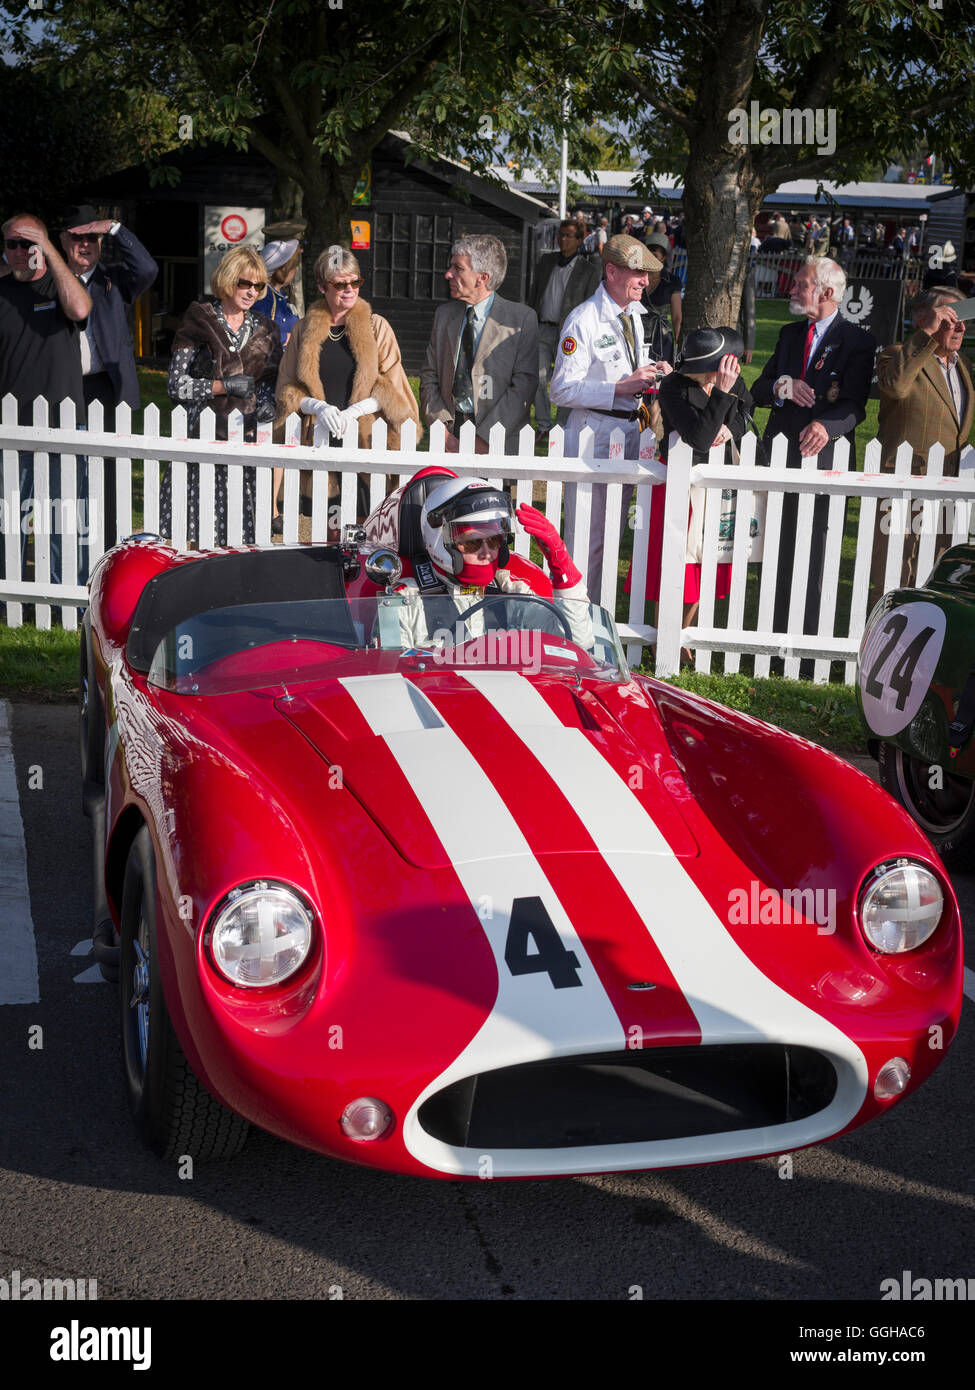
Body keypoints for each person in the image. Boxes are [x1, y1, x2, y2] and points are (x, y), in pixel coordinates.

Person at [751, 256, 876, 651]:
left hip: (823, 464)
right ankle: (772, 639)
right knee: (778, 550)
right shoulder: (790, 335)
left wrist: (826, 426)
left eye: (800, 284)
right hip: (781, 458)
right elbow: (758, 390)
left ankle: (806, 649)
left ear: (825, 292)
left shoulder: (857, 341)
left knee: (815, 554)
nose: (791, 289)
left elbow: (855, 406)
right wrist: (783, 386)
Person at [549, 233, 672, 596]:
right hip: (593, 433)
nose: (645, 281)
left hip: (628, 432)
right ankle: (575, 618)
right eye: (638, 272)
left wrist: (652, 370)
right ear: (612, 271)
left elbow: (625, 364)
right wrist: (620, 387)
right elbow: (561, 388)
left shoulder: (634, 315)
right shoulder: (583, 319)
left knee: (612, 533)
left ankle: (599, 615)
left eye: (647, 274)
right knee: (586, 537)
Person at [631, 328, 760, 654]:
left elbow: (749, 408)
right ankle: (663, 637)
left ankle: (683, 634)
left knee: (709, 561)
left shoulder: (734, 380)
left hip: (718, 484)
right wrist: (723, 396)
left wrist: (731, 428)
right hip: (681, 485)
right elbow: (699, 438)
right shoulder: (675, 387)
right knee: (675, 563)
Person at [275, 243, 419, 534]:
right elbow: (286, 387)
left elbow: (395, 388)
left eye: (355, 282)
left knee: (367, 527)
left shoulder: (377, 327)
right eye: (340, 283)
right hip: (321, 438)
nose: (349, 289)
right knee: (328, 530)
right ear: (321, 286)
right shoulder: (303, 329)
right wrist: (317, 407)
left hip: (366, 438)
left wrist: (357, 410)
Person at [389, 475, 592, 651]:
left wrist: (564, 570)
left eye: (494, 540)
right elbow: (389, 677)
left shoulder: (511, 593)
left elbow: (576, 645)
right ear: (439, 541)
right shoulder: (405, 602)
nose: (486, 553)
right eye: (472, 542)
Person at [164, 244, 282, 544]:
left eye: (258, 285)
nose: (252, 291)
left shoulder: (267, 329)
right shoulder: (199, 318)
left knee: (242, 537)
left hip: (248, 441)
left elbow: (271, 382)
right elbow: (176, 384)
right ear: (229, 279)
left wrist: (269, 403)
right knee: (196, 534)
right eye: (245, 283)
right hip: (203, 438)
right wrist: (221, 386)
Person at [59, 203, 158, 548]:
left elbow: (147, 268)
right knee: (67, 480)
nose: (85, 245)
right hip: (64, 389)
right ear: (62, 241)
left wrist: (116, 228)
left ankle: (107, 549)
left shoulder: (114, 279)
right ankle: (70, 549)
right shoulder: (52, 283)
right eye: (77, 238)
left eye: (92, 238)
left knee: (109, 480)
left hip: (109, 389)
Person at [0, 211, 91, 586]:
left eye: (28, 243)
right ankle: (9, 595)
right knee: (9, 520)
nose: (21, 251)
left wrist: (51, 250)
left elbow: (81, 309)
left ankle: (64, 595)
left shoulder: (59, 287)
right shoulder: (1, 293)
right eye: (13, 244)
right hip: (11, 426)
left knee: (64, 519)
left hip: (65, 424)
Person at [869, 287, 974, 604]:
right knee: (894, 573)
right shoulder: (895, 354)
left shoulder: (964, 367)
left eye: (964, 319)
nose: (960, 327)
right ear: (923, 318)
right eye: (950, 319)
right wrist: (927, 332)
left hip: (949, 488)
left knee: (938, 570)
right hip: (906, 484)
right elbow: (895, 386)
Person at [420, 234, 537, 455]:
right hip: (450, 433)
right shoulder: (444, 316)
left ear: (482, 277)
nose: (448, 274)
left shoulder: (520, 320)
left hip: (498, 438)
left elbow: (523, 387)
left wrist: (483, 440)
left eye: (458, 268)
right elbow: (429, 377)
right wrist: (442, 430)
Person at [529, 219, 601, 437]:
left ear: (579, 240)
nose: (563, 239)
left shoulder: (588, 270)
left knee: (567, 379)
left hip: (570, 334)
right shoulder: (547, 260)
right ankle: (543, 425)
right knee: (538, 378)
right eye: (561, 234)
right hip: (542, 328)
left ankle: (560, 427)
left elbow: (591, 303)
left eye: (569, 235)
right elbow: (535, 293)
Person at [640, 232, 683, 363]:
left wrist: (679, 345)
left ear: (663, 257)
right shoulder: (636, 277)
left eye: (656, 255)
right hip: (638, 333)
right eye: (649, 254)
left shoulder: (672, 281)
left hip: (661, 339)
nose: (651, 259)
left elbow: (676, 316)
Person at [254, 239, 301, 346]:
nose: (295, 270)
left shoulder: (281, 295)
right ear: (283, 269)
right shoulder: (263, 296)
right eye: (293, 267)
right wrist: (285, 338)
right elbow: (255, 332)